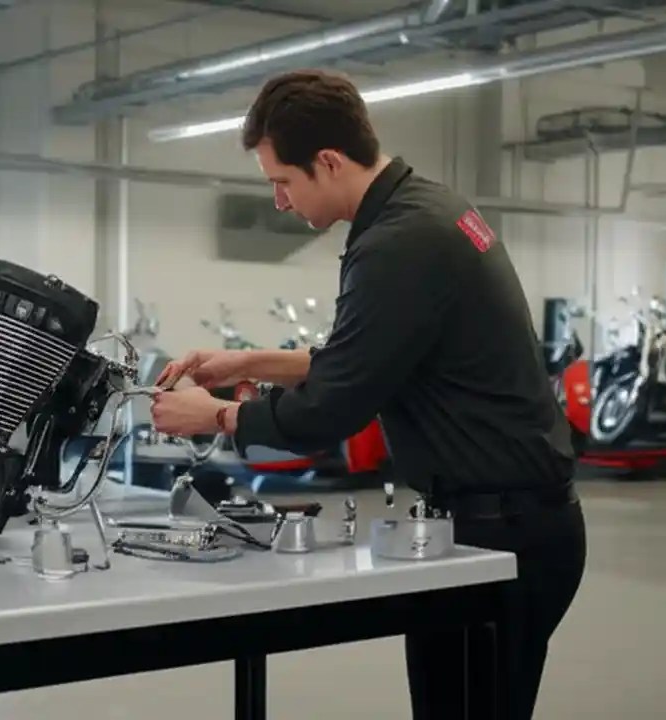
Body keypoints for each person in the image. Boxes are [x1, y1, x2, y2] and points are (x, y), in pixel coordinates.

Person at [150, 69, 586, 719]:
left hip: (506, 531)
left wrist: (214, 416)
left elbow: (333, 408)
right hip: (509, 519)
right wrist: (248, 361)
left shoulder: (399, 243)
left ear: (328, 162)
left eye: (283, 182)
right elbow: (378, 358)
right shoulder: (425, 210)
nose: (279, 201)